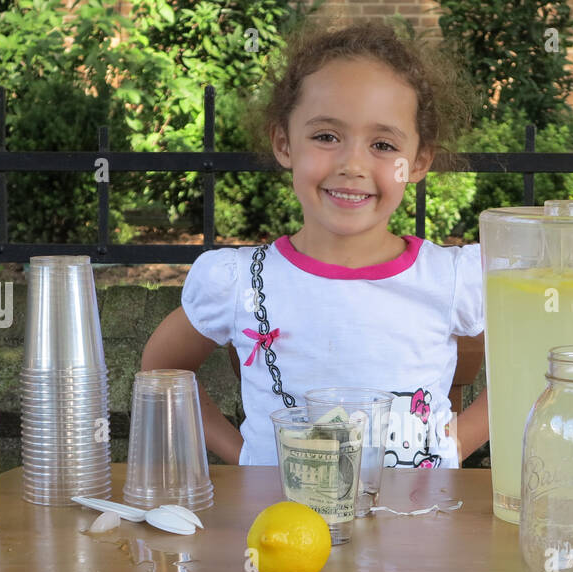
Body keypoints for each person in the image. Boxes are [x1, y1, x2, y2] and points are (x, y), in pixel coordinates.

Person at [141, 19, 489, 468]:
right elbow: (161, 369)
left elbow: (528, 361)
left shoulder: (453, 278)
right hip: (276, 527)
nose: (352, 164)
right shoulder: (236, 281)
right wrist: (242, 455)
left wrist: (455, 445)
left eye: (383, 144)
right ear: (285, 144)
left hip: (417, 525)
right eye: (326, 137)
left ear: (418, 161)